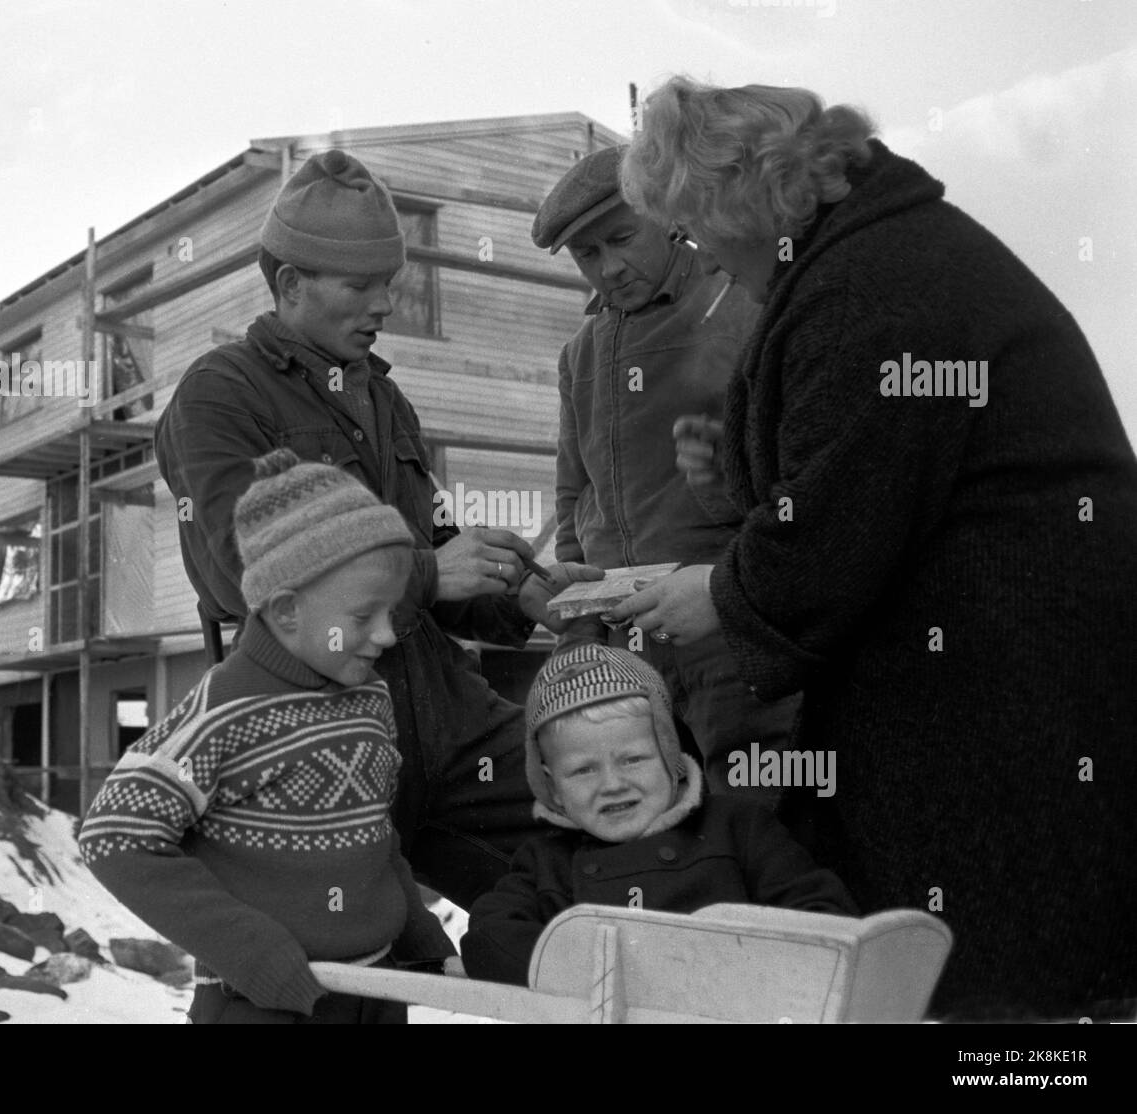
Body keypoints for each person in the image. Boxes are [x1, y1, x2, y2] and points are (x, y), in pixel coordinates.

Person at [611, 78, 1137, 1020]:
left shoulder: (872, 288)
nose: (702, 254)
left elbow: (842, 522)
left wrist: (725, 600)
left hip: (1002, 677)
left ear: (741, 197)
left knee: (993, 969)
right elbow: (869, 469)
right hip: (1004, 659)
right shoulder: (881, 253)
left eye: (693, 227)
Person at [154, 149, 600, 911]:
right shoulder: (221, 396)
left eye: (389, 283)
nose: (384, 304)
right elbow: (248, 577)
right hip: (318, 741)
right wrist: (427, 574)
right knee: (338, 983)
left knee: (599, 858)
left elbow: (435, 552)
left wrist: (522, 595)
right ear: (290, 284)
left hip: (446, 726)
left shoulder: (382, 399)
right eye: (360, 285)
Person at [79, 450, 457, 1023]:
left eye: (391, 612)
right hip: (261, 1004)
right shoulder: (224, 711)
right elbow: (116, 835)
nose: (385, 633)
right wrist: (248, 949)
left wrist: (421, 940)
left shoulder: (368, 702)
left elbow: (375, 840)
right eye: (363, 616)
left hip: (376, 994)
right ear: (284, 612)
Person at [532, 144, 798, 808]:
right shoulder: (580, 354)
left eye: (621, 238)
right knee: (655, 831)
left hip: (724, 630)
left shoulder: (739, 307)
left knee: (762, 818)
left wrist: (728, 476)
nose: (609, 266)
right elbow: (576, 495)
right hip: (622, 648)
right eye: (587, 255)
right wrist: (578, 613)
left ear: (664, 213)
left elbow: (794, 479)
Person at [459, 643, 855, 986]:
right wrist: (602, 973)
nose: (612, 784)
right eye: (583, 770)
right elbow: (488, 939)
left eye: (632, 759)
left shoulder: (737, 827)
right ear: (552, 786)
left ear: (670, 755)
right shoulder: (547, 864)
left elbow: (824, 914)